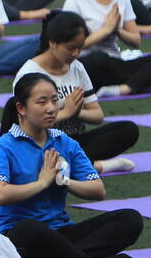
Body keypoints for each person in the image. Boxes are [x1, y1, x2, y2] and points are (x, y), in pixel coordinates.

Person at [0, 72, 142, 258]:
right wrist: (42, 183)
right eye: (42, 102)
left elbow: (98, 190)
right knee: (29, 228)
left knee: (130, 219)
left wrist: (65, 182)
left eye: (54, 100)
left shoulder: (65, 142)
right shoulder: (1, 147)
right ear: (21, 108)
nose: (51, 108)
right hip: (18, 237)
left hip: (60, 233)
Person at [12, 12, 139, 174]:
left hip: (74, 142)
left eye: (79, 48)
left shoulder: (77, 67)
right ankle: (93, 166)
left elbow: (98, 116)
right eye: (71, 48)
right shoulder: (29, 73)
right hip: (43, 144)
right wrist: (66, 113)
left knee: (128, 130)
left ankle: (75, 165)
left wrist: (77, 112)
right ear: (53, 43)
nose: (75, 54)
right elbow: (25, 126)